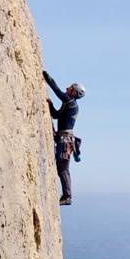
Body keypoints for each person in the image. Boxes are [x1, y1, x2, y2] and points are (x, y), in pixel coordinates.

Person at [43, 70, 85, 205]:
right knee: (61, 168)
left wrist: (45, 75)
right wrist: (50, 106)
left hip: (65, 140)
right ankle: (67, 195)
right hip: (64, 139)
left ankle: (67, 196)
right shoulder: (69, 104)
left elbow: (56, 89)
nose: (68, 88)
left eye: (71, 88)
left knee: (63, 169)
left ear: (74, 92)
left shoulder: (70, 101)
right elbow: (56, 116)